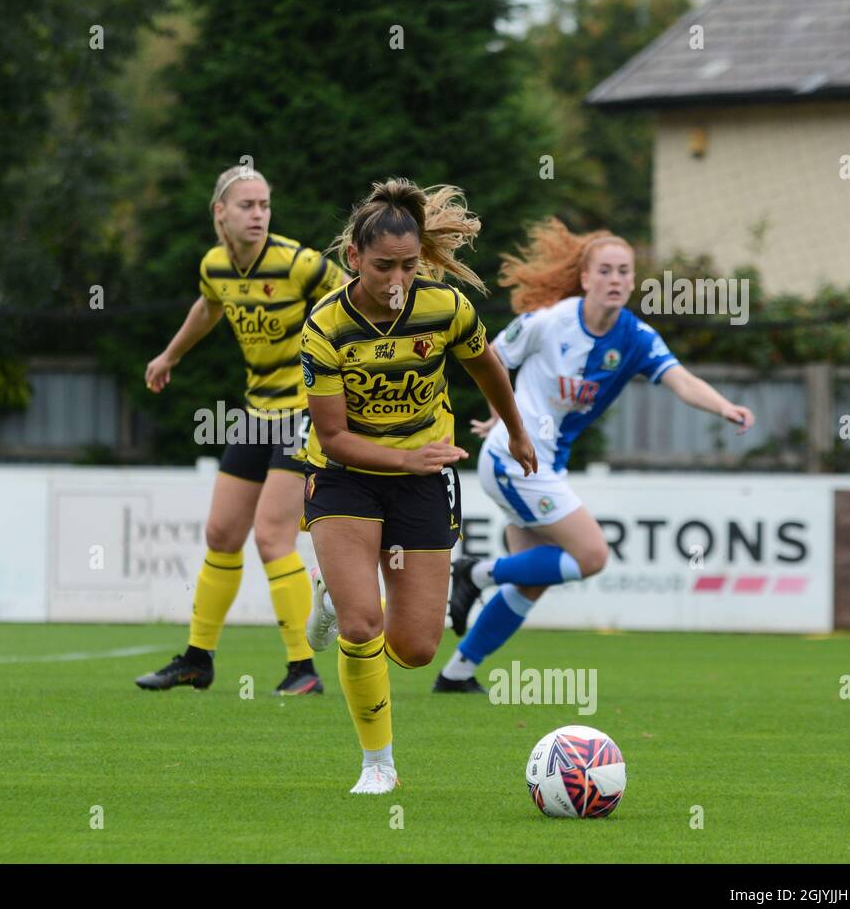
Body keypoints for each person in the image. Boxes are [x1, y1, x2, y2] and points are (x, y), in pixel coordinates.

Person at [434, 218, 756, 693]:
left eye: (624, 271)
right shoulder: (550, 322)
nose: (615, 279)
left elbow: (681, 380)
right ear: (585, 278)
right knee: (591, 555)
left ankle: (456, 674)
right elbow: (492, 359)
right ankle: (474, 572)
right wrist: (500, 415)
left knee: (531, 581)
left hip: (544, 466)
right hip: (513, 461)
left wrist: (724, 406)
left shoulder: (636, 338)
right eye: (605, 271)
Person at [299, 179, 536, 793]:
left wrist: (515, 430)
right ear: (354, 257)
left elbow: (487, 366)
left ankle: (333, 593)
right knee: (361, 626)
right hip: (345, 477)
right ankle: (378, 765)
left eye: (409, 265)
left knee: (415, 649)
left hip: (423, 481)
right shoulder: (324, 327)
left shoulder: (446, 308)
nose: (397, 280)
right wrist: (405, 461)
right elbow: (333, 436)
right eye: (384, 266)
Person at [134, 165, 346, 695]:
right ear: (220, 213)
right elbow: (209, 307)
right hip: (257, 414)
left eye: (264, 205)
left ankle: (303, 669)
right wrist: (169, 355)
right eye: (247, 205)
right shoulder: (214, 266)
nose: (258, 214)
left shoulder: (299, 263)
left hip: (303, 411)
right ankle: (197, 660)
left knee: (273, 537)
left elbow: (354, 301)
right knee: (221, 535)